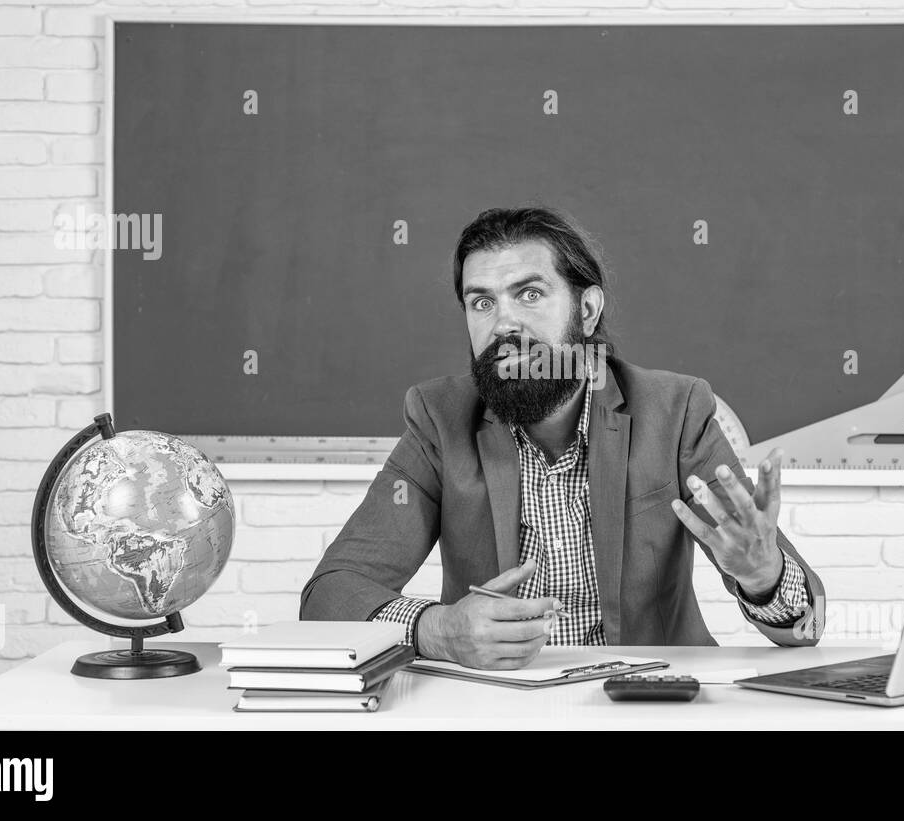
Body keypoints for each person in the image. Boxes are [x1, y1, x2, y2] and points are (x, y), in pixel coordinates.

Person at [300, 206, 825, 669]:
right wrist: (438, 630)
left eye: (529, 294)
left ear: (588, 310)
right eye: (481, 303)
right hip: (497, 703)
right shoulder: (440, 419)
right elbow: (329, 595)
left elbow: (801, 629)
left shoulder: (675, 409)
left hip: (646, 705)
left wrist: (765, 578)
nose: (505, 323)